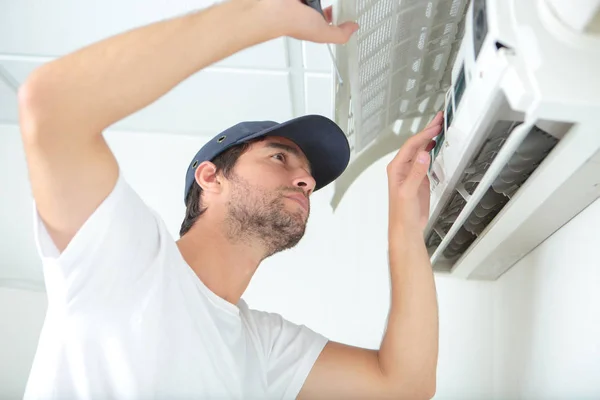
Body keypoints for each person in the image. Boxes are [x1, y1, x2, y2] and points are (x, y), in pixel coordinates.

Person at [17, 0, 441, 398]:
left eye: (308, 175)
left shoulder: (263, 346)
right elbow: (51, 106)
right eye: (279, 157)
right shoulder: (127, 260)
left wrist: (405, 226)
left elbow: (404, 385)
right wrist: (266, 15)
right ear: (210, 177)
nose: (307, 181)